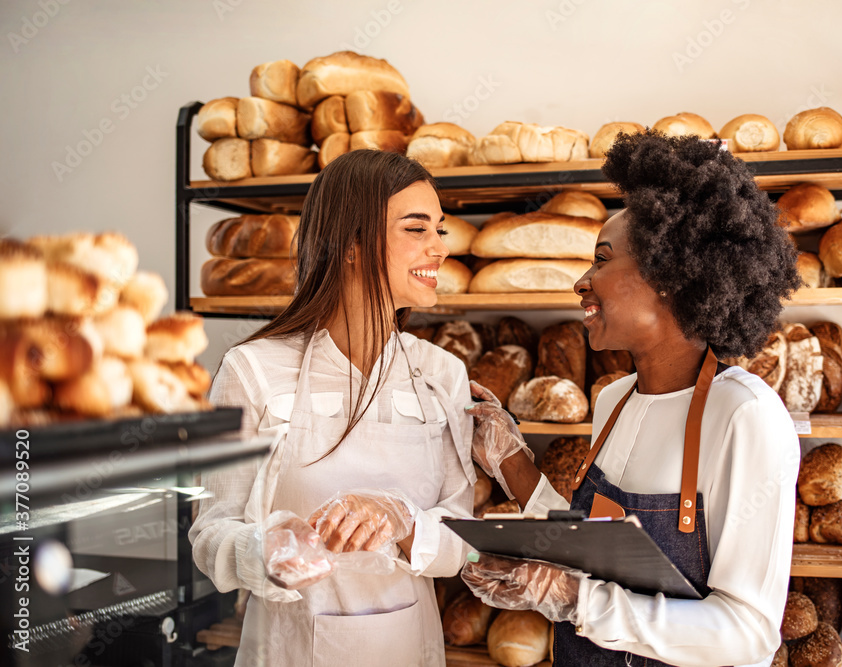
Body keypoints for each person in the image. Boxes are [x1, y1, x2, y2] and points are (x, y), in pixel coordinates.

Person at [463, 132, 803, 667]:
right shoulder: (614, 399)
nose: (582, 281)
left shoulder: (745, 416)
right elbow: (599, 550)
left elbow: (748, 631)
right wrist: (507, 459)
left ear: (668, 277)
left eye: (601, 260)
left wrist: (573, 598)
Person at [190, 150, 477, 666]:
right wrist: (271, 550)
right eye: (417, 229)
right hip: (289, 651)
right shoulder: (251, 370)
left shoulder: (442, 375)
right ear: (351, 244)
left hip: (410, 652)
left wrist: (404, 521)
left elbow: (465, 543)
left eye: (441, 230)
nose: (439, 247)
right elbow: (211, 536)